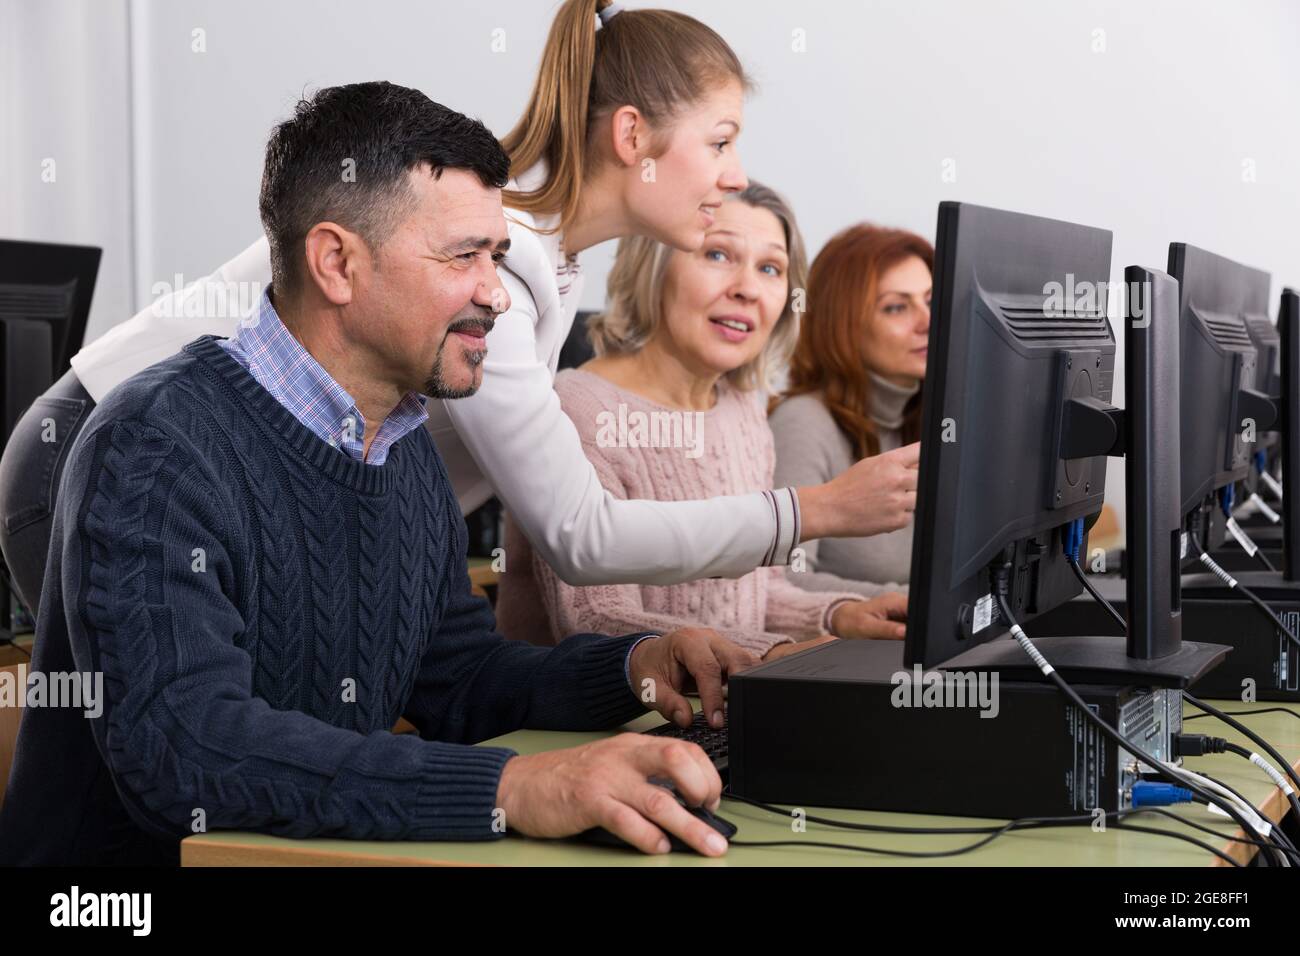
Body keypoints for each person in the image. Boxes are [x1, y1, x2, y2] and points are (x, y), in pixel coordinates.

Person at [0, 83, 758, 865]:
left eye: (495, 257)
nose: (496, 294)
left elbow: (462, 677)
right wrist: (511, 788)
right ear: (336, 263)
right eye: (463, 256)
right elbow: (190, 750)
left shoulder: (398, 446)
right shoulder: (154, 444)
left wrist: (637, 667)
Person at [0, 0, 918, 617]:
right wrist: (813, 511)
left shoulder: (538, 268)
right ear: (633, 137)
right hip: (88, 464)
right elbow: (581, 533)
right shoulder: (499, 264)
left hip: (226, 501)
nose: (734, 175)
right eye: (719, 141)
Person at [495, 184, 909, 657]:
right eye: (717, 255)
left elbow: (754, 593)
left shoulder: (743, 411)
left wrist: (837, 613)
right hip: (604, 722)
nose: (747, 289)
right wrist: (768, 654)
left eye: (770, 269)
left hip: (720, 702)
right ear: (654, 270)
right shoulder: (578, 409)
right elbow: (593, 622)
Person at [770, 224, 933, 597]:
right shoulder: (803, 423)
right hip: (850, 649)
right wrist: (922, 606)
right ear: (844, 325)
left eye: (931, 300)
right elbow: (784, 585)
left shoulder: (931, 418)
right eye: (897, 307)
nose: (927, 321)